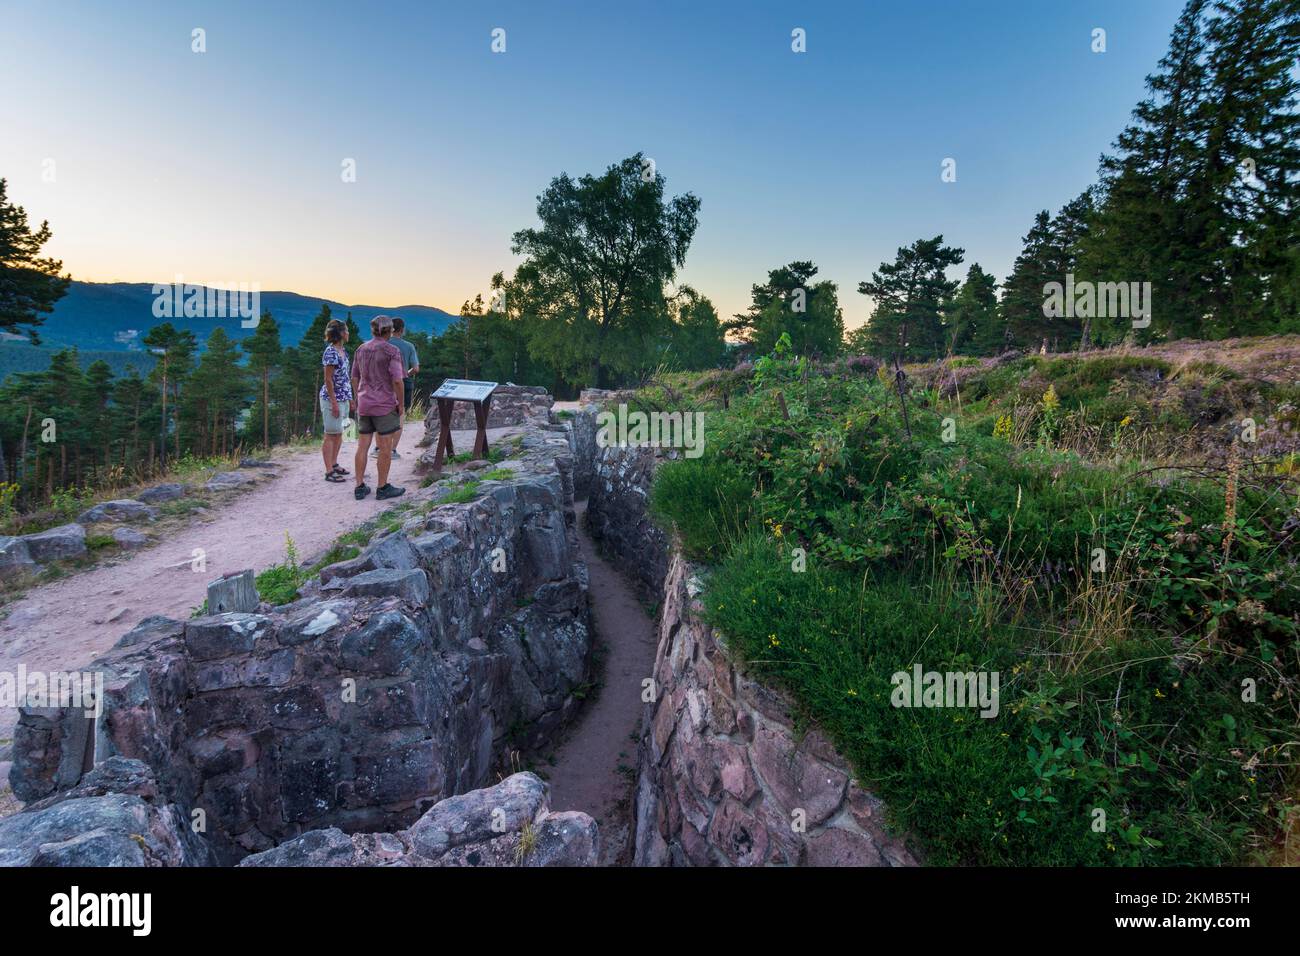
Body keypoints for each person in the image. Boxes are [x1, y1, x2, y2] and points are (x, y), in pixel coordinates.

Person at [349, 314, 406, 501]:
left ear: (372, 330)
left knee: (362, 446)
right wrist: (401, 404)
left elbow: (354, 376)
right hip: (384, 404)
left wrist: (358, 396)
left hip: (364, 403)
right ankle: (382, 487)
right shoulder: (392, 351)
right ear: (389, 330)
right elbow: (397, 380)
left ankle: (359, 486)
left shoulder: (361, 349)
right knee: (385, 447)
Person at [381, 316, 421, 460]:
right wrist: (405, 373)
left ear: (391, 329)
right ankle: (392, 450)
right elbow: (416, 369)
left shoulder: (384, 343)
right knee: (400, 415)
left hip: (385, 383)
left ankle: (379, 447)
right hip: (404, 383)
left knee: (383, 415)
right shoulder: (409, 346)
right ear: (402, 330)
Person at [319, 319, 352, 483]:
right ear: (339, 333)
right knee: (330, 434)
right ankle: (328, 471)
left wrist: (350, 399)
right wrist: (333, 403)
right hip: (332, 399)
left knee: (339, 433)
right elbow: (328, 380)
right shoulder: (330, 352)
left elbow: (345, 378)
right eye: (346, 330)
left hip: (343, 397)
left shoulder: (343, 351)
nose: (348, 333)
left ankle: (334, 463)